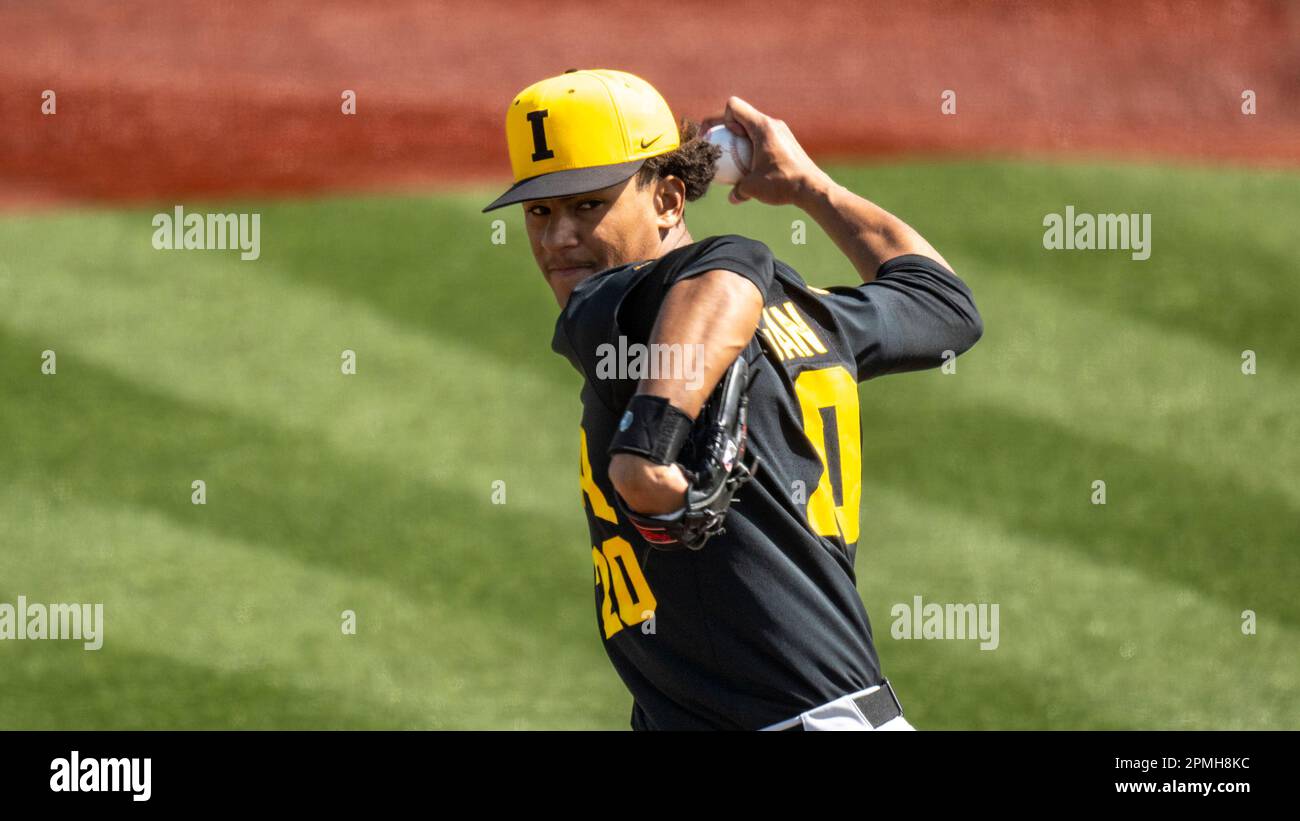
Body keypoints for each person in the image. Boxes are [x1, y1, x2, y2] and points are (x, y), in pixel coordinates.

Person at [483, 68, 983, 730]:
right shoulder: (808, 316)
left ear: (668, 200)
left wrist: (646, 446)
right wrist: (813, 188)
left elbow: (729, 265)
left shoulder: (623, 301)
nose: (556, 239)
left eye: (589, 205)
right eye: (540, 212)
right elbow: (942, 306)